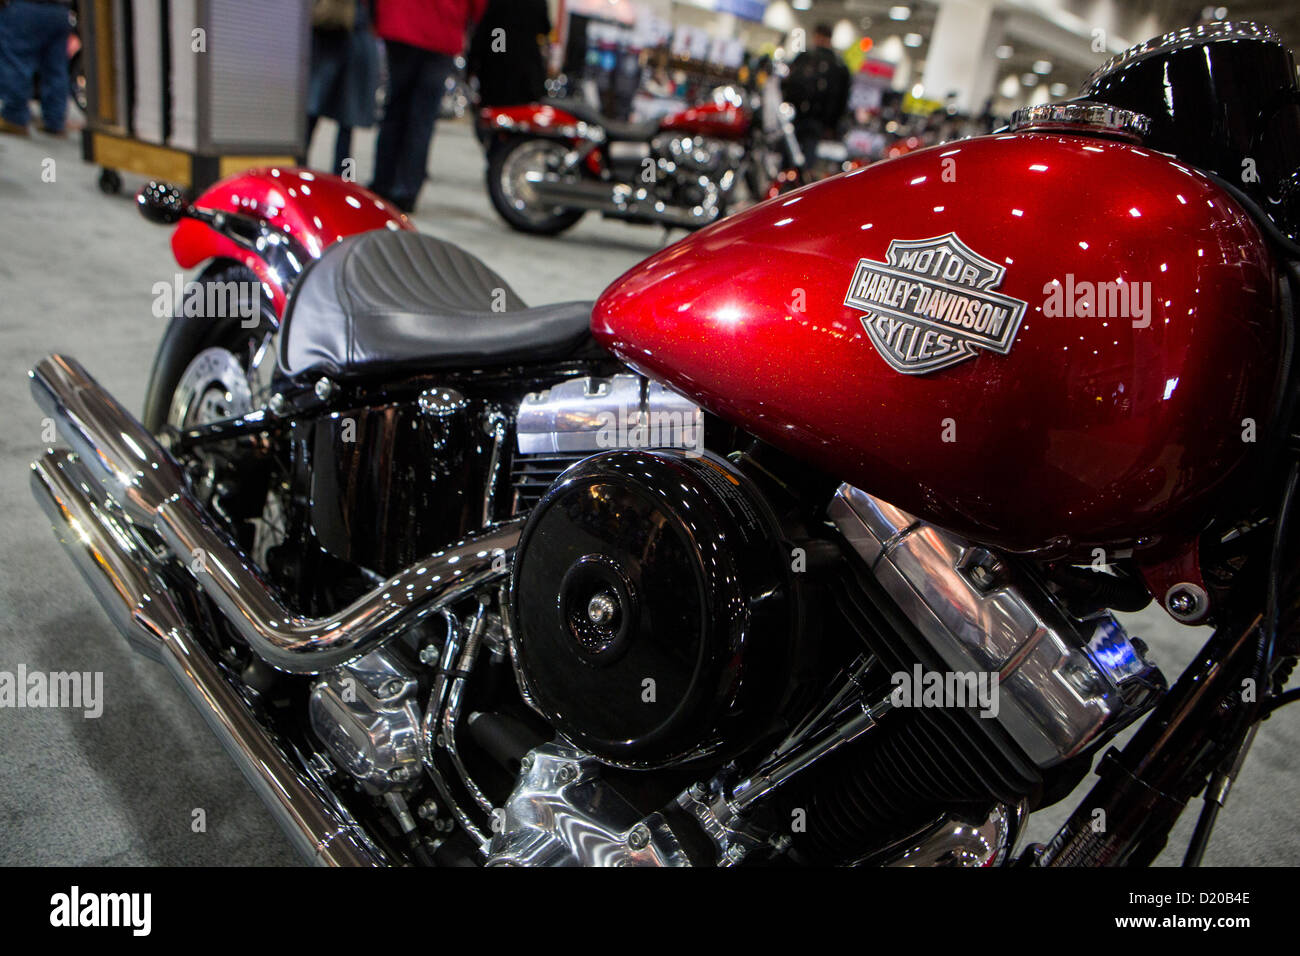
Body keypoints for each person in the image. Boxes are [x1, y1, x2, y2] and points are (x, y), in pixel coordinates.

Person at [371, 0, 486, 213]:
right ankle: (406, 191)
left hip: (400, 23)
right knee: (422, 119)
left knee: (394, 111)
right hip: (441, 33)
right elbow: (479, 7)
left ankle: (382, 183)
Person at [307, 0, 380, 177]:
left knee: (319, 115)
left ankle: (341, 177)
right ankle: (343, 177)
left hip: (339, 33)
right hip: (340, 32)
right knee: (342, 123)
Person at [0, 0, 73, 136]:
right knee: (56, 69)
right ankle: (55, 122)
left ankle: (14, 118)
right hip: (60, 11)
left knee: (16, 62)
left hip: (27, 7)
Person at [783, 23, 849, 168]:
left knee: (792, 153)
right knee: (804, 155)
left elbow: (788, 83)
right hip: (810, 120)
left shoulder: (807, 59)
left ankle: (793, 183)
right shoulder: (838, 65)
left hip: (803, 118)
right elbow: (842, 100)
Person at [466, 0, 550, 109]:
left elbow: (482, 31)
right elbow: (545, 27)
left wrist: (471, 66)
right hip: (527, 72)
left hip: (496, 68)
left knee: (494, 115)